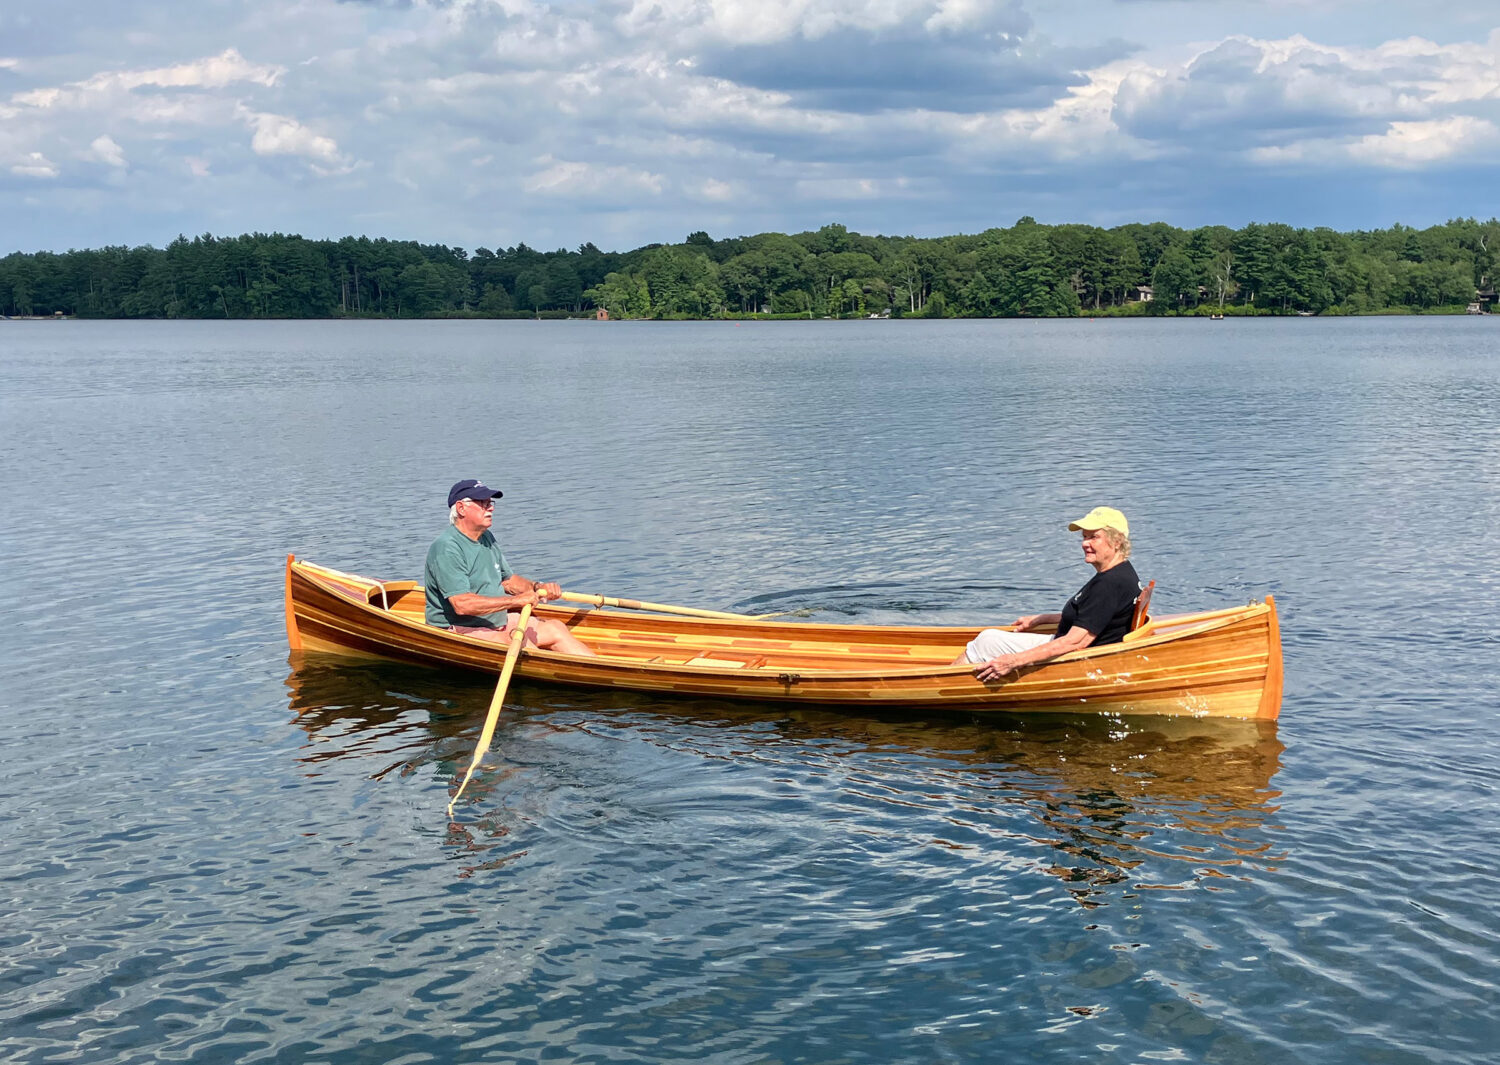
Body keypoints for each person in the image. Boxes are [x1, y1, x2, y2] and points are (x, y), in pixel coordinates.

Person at [956, 506, 1141, 682]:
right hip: (1069, 644)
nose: (1085, 544)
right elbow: (1094, 616)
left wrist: (1013, 661)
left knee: (984, 642)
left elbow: (1074, 642)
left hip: (1074, 659)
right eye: (1084, 537)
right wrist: (1042, 619)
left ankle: (941, 686)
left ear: (1117, 541)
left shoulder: (1109, 584)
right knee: (988, 639)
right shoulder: (1122, 572)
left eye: (1094, 537)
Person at [424, 478, 595, 656]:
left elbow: (508, 580)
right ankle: (580, 679)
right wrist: (516, 601)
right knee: (518, 643)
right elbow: (462, 604)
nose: (490, 507)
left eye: (490, 502)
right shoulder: (447, 548)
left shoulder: (486, 537)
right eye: (482, 503)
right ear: (461, 508)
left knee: (555, 628)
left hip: (496, 623)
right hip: (459, 631)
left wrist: (537, 588)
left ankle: (598, 674)